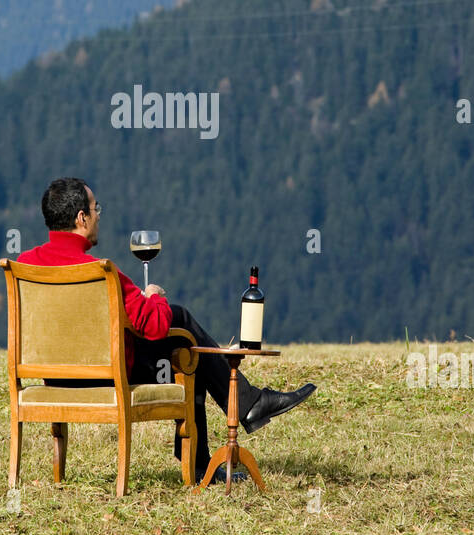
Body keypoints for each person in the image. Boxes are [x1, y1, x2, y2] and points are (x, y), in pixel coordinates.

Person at [17, 177, 316, 484]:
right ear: (81, 218)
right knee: (181, 332)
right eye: (96, 209)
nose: (98, 216)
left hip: (56, 378)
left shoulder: (24, 267)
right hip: (111, 375)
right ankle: (226, 433)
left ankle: (238, 417)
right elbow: (156, 326)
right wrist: (154, 297)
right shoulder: (100, 272)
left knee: (185, 345)